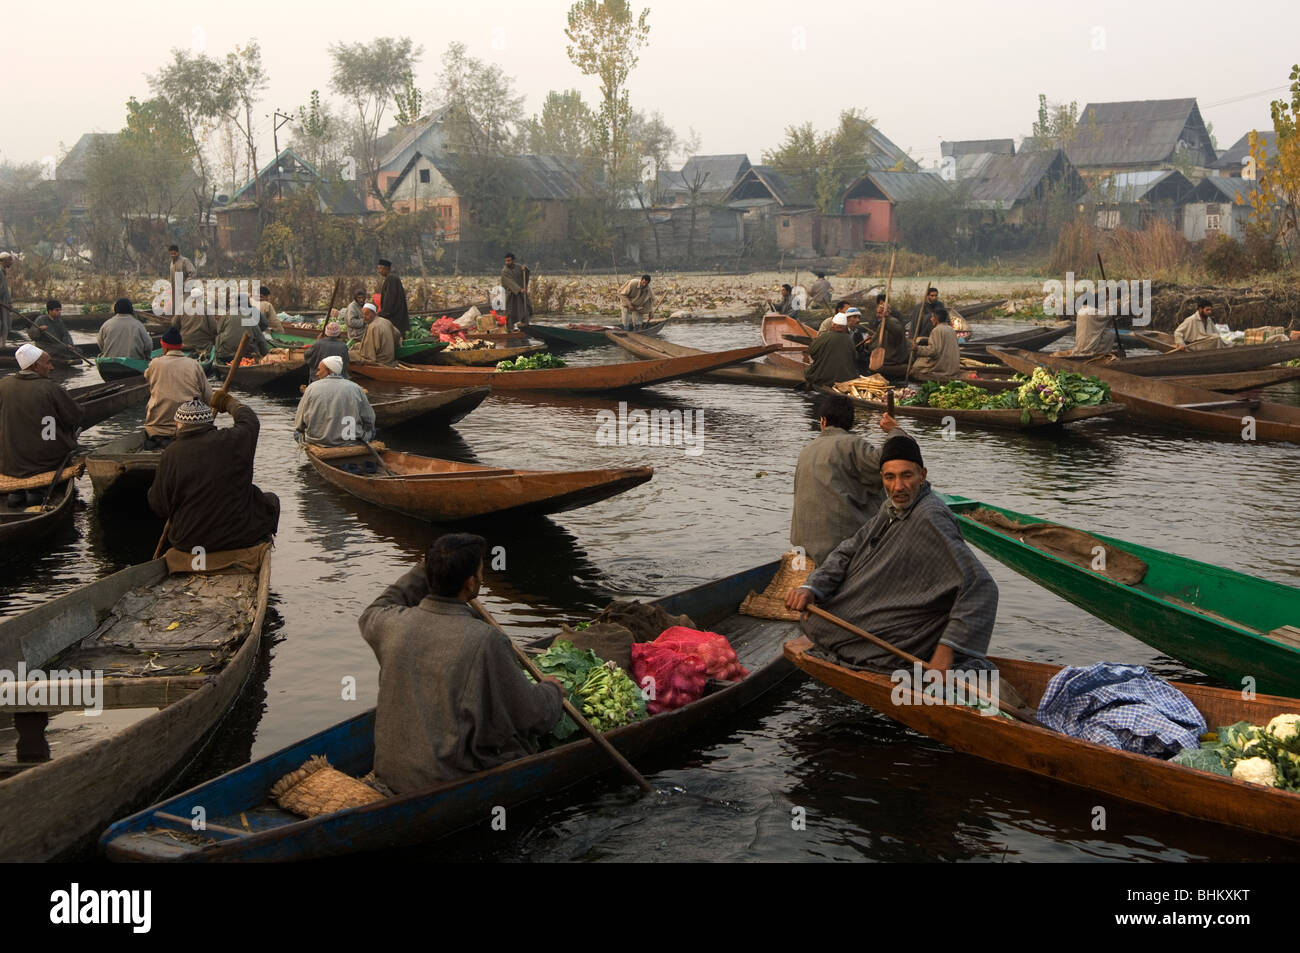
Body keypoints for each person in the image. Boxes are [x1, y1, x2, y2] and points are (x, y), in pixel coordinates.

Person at [358, 533, 565, 793]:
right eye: (480, 572)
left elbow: (378, 606)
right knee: (519, 740)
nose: (482, 577)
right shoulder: (486, 640)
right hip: (444, 778)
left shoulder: (391, 622)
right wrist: (551, 690)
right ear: (470, 583)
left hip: (390, 772)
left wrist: (428, 570)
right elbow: (533, 717)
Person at [785, 433, 998, 673]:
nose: (898, 487)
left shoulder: (930, 516)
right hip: (886, 602)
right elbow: (849, 549)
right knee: (817, 619)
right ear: (882, 478)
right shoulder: (891, 507)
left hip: (914, 626)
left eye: (907, 475)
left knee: (824, 628)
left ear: (922, 475)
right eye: (890, 477)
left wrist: (945, 653)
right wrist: (811, 587)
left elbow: (981, 587)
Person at [148, 393, 280, 553]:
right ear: (210, 423)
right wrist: (230, 403)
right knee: (270, 500)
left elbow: (159, 506)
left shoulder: (170, 453)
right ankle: (257, 548)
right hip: (239, 537)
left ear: (179, 425)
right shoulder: (232, 440)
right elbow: (250, 421)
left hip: (189, 543)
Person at [790, 393, 900, 566]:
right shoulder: (852, 444)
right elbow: (890, 463)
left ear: (823, 422)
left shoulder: (806, 450)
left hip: (804, 545)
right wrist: (894, 432)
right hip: (840, 547)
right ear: (851, 423)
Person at [0, 345, 81, 505]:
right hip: (45, 463)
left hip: (10, 463)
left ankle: (18, 494)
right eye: (48, 363)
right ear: (35, 366)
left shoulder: (3, 385)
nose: (51, 367)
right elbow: (75, 416)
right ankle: (35, 492)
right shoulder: (50, 388)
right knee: (67, 435)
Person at [143, 328, 213, 450]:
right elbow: (209, 397)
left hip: (157, 430)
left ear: (164, 347)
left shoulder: (155, 364)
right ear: (180, 347)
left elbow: (147, 376)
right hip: (190, 428)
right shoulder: (194, 365)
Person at [293, 356, 375, 448]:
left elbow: (299, 425)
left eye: (319, 370)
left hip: (317, 440)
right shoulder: (356, 388)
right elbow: (369, 420)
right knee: (373, 430)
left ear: (329, 370)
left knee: (297, 433)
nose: (317, 373)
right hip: (349, 441)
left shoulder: (311, 388)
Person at [804, 313, 859, 387]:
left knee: (808, 371)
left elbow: (812, 352)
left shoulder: (824, 337)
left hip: (824, 378)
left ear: (833, 325)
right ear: (845, 327)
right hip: (846, 378)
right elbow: (855, 357)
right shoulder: (849, 339)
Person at [910, 306, 962, 381]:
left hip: (943, 366)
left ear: (936, 319)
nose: (931, 319)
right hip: (952, 366)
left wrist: (917, 349)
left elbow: (933, 351)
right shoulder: (951, 329)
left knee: (916, 366)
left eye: (932, 317)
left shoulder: (937, 330)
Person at [215, 294, 270, 361]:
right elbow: (261, 339)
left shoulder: (226, 315)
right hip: (246, 356)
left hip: (225, 355)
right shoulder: (250, 317)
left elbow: (217, 331)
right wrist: (266, 355)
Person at [377, 258, 409, 337]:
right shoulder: (393, 277)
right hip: (397, 314)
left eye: (380, 268)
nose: (379, 271)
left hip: (394, 317)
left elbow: (390, 298)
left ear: (385, 268)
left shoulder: (391, 279)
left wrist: (383, 313)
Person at [500, 253, 531, 331]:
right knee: (510, 312)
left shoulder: (519, 267)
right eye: (506, 261)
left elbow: (526, 273)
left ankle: (525, 327)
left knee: (524, 310)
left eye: (509, 260)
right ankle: (510, 329)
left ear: (513, 260)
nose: (507, 262)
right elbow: (509, 282)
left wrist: (525, 269)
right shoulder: (504, 271)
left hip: (521, 294)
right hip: (511, 294)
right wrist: (518, 289)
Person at [0, 251, 13, 344]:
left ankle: (2, 345)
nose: (11, 262)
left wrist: (9, 303)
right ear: (3, 261)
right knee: (2, 324)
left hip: (4, 303)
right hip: (1, 303)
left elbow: (4, 290)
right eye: (9, 260)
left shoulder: (3, 272)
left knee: (5, 324)